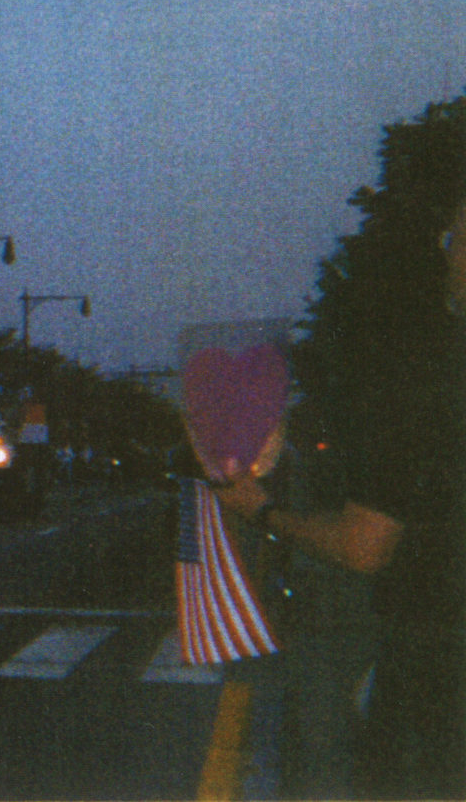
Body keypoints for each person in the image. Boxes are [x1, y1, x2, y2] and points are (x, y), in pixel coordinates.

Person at [212, 203, 465, 798]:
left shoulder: (431, 376)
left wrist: (263, 512)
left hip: (439, 663)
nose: (446, 252)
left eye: (455, 237)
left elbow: (364, 545)